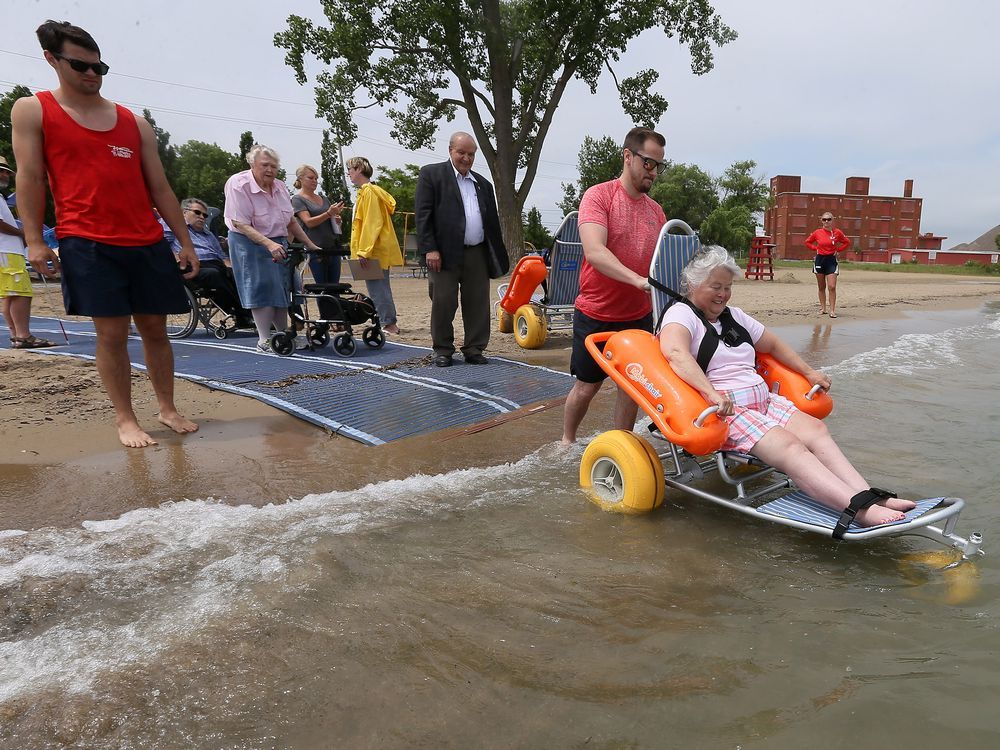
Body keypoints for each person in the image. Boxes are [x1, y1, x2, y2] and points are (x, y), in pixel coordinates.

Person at [11, 20, 200, 448]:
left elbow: (160, 188)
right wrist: (36, 239)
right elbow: (30, 177)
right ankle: (125, 419)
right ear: (52, 60)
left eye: (100, 67)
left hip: (146, 240)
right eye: (80, 65)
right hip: (87, 240)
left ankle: (167, 408)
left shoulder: (134, 122)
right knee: (112, 334)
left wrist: (184, 242)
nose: (92, 74)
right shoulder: (33, 109)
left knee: (156, 328)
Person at [658, 244, 915, 528]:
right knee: (791, 447)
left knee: (817, 431)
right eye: (715, 286)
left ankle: (868, 497)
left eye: (728, 287)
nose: (723, 294)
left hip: (763, 401)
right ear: (693, 284)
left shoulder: (734, 317)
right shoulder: (681, 315)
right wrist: (711, 393)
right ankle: (858, 510)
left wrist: (810, 372)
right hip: (725, 411)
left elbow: (773, 344)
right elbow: (676, 353)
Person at [561, 126, 668, 443]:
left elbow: (661, 264)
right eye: (649, 163)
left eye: (659, 166)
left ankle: (621, 445)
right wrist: (637, 280)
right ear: (628, 156)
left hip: (638, 314)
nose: (654, 173)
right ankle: (567, 440)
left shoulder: (656, 212)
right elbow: (595, 252)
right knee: (587, 386)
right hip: (597, 311)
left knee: (632, 386)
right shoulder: (598, 196)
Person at [415, 131, 509, 367]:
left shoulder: (484, 184)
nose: (466, 158)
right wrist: (430, 249)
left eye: (471, 154)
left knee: (477, 301)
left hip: (477, 251)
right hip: (443, 253)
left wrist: (494, 254)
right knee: (443, 300)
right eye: (461, 153)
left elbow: (492, 222)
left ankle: (474, 348)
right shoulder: (431, 175)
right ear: (450, 151)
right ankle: (443, 350)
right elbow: (423, 215)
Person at [223, 144, 321, 353]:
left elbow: (291, 221)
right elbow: (240, 222)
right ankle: (264, 339)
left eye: (274, 166)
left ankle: (282, 335)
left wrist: (311, 245)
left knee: (281, 290)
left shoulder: (279, 186)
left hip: (277, 240)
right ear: (252, 164)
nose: (270, 170)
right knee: (261, 288)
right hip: (247, 241)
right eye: (265, 165)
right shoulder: (238, 184)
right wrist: (268, 243)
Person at [162, 198, 252, 327]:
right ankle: (242, 314)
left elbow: (221, 256)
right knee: (213, 274)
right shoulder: (172, 225)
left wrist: (234, 269)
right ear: (184, 213)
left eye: (204, 215)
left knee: (237, 274)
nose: (202, 217)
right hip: (189, 266)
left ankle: (248, 315)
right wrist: (176, 258)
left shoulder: (208, 234)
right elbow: (163, 244)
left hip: (214, 264)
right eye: (197, 213)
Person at [1, 155, 58, 349]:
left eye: (6, 171)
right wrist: (22, 233)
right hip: (6, 250)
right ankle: (23, 335)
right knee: (21, 293)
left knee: (10, 294)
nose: (5, 175)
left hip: (7, 250)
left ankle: (16, 334)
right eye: (2, 172)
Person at [346, 156, 402, 335]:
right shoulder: (367, 192)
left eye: (351, 170)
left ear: (359, 170)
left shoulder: (369, 192)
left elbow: (372, 222)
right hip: (373, 249)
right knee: (378, 286)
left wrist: (364, 250)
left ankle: (389, 324)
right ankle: (386, 321)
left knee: (378, 287)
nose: (349, 173)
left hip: (372, 250)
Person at [290, 164, 345, 286]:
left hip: (332, 248)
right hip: (315, 249)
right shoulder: (298, 199)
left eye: (316, 178)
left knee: (335, 287)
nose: (314, 181)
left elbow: (331, 220)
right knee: (322, 287)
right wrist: (328, 213)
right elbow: (308, 222)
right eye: (310, 178)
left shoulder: (324, 198)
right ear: (300, 179)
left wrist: (337, 221)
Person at [805, 212, 849, 318]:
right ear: (821, 221)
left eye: (828, 219)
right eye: (824, 219)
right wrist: (815, 248)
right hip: (820, 260)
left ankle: (832, 310)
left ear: (832, 220)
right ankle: (823, 308)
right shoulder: (817, 232)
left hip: (831, 261)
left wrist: (838, 250)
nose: (826, 221)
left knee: (832, 286)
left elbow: (847, 242)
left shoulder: (837, 232)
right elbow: (807, 242)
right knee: (821, 286)